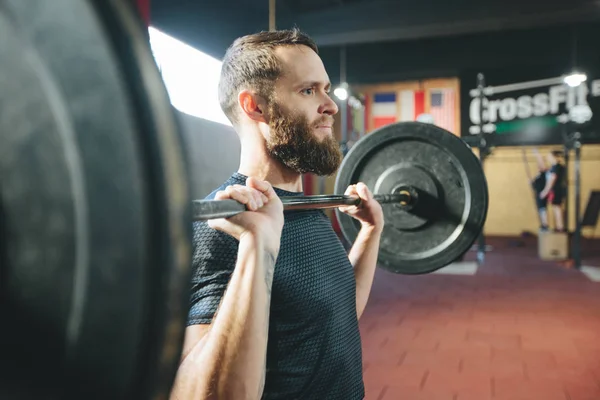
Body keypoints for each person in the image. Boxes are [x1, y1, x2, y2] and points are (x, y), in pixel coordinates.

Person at [169, 28, 384, 400]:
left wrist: (369, 234)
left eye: (326, 89)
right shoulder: (226, 230)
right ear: (255, 106)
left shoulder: (306, 210)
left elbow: (334, 316)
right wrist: (257, 246)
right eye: (307, 90)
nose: (330, 106)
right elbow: (203, 394)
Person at [532, 148, 566, 232]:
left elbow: (552, 180)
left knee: (557, 207)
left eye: (550, 156)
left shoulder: (556, 167)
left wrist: (545, 191)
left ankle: (559, 226)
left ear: (555, 157)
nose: (548, 158)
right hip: (556, 190)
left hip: (556, 190)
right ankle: (558, 226)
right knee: (556, 207)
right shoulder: (555, 167)